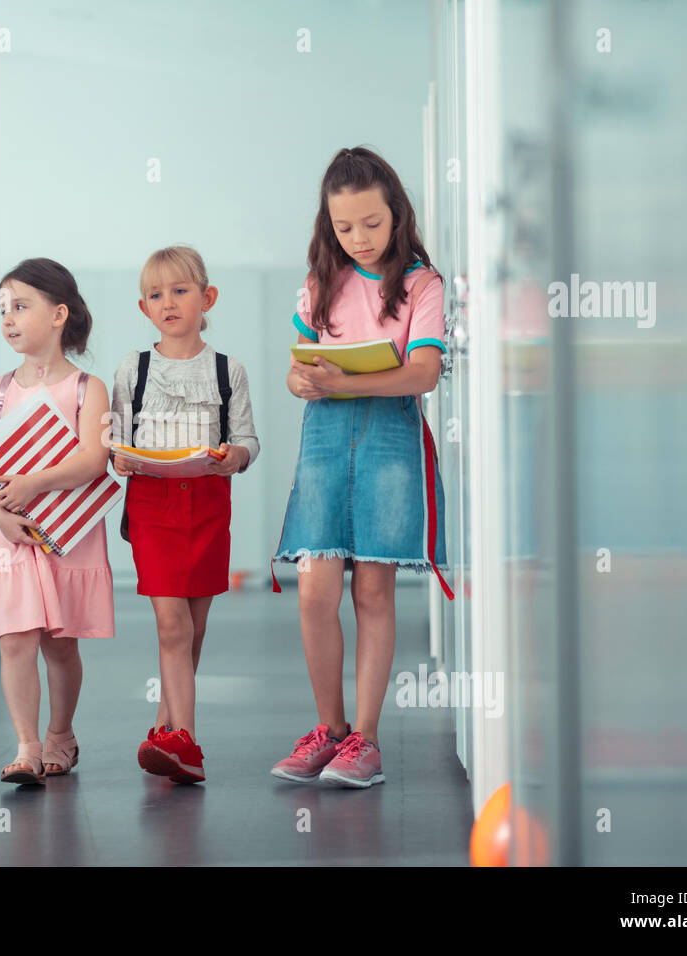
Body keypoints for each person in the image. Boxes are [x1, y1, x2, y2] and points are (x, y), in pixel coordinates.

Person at [271, 146, 452, 789]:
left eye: (371, 224)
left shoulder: (422, 285)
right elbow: (297, 371)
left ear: (396, 213)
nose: (359, 239)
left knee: (372, 592)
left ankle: (367, 743)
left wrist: (341, 383)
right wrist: (305, 383)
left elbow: (425, 372)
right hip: (323, 439)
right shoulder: (322, 281)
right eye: (344, 227)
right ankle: (332, 730)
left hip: (388, 440)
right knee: (316, 591)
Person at [110, 245, 260, 784]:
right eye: (155, 294)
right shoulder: (135, 367)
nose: (167, 302)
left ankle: (163, 728)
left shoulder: (228, 371)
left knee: (192, 629)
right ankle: (188, 746)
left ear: (207, 297)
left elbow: (246, 441)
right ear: (144, 308)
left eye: (179, 290)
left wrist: (233, 460)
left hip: (209, 502)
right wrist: (120, 456)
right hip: (152, 504)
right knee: (170, 623)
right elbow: (116, 439)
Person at [0, 258, 115, 785]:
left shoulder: (87, 388)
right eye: (3, 308)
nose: (9, 318)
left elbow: (93, 460)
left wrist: (33, 483)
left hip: (64, 532)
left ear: (59, 314)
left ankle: (61, 734)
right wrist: (0, 516)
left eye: (21, 306)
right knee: (16, 637)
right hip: (10, 532)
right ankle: (27, 745)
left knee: (59, 641)